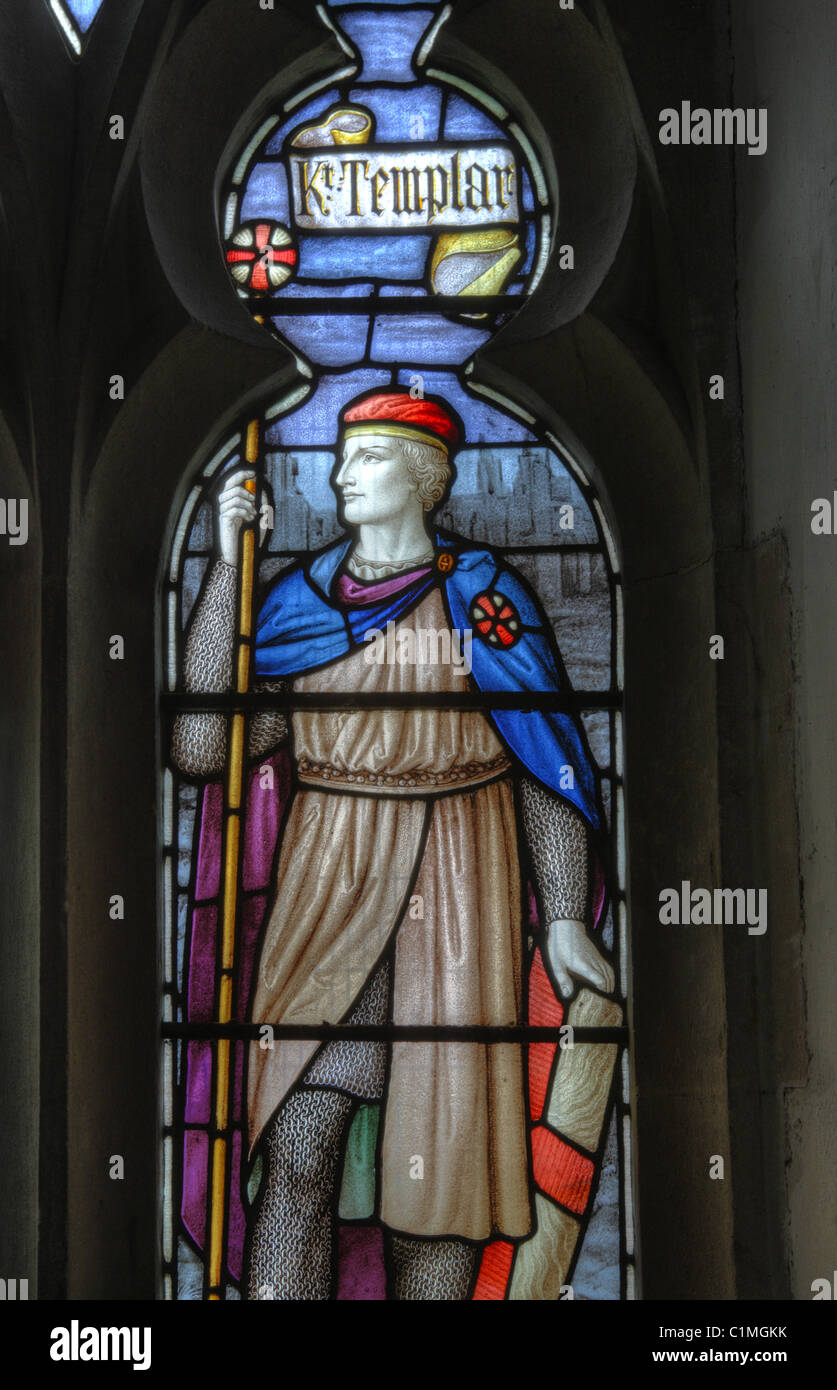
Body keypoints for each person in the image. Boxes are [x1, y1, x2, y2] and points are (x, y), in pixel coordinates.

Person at [171, 388, 614, 1300]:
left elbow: (547, 770)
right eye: (340, 456)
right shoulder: (298, 602)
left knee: (444, 1176)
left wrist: (565, 918)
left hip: (460, 877)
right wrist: (225, 574)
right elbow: (202, 744)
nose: (340, 473)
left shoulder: (483, 599)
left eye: (365, 456)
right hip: (329, 877)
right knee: (293, 1138)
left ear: (422, 475)